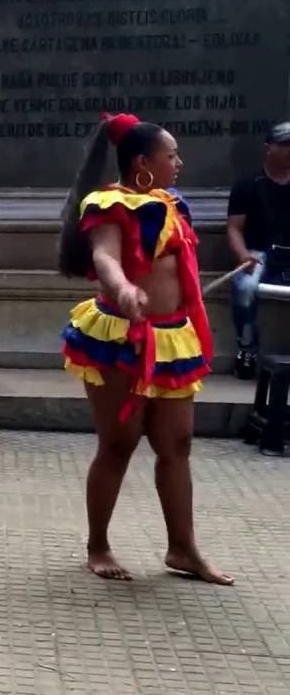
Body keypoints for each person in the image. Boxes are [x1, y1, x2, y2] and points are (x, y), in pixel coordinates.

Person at [59, 112, 232, 586]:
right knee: (119, 442)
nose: (179, 162)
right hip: (121, 336)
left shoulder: (170, 204)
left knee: (177, 443)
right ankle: (98, 544)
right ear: (142, 161)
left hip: (172, 337)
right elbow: (105, 258)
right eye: (171, 154)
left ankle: (183, 548)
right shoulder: (108, 204)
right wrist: (123, 289)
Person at [227, 121, 290, 378]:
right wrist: (243, 255)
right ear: (268, 148)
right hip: (259, 253)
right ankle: (247, 349)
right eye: (284, 145)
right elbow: (234, 228)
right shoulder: (247, 185)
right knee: (244, 288)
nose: (289, 150)